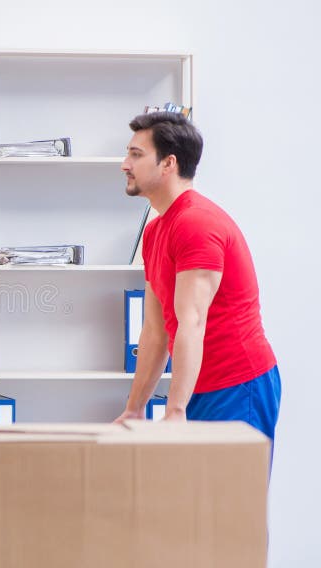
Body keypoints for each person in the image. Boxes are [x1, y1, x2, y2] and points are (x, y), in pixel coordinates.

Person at [113, 112, 281, 449]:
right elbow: (155, 329)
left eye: (136, 154)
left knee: (230, 499)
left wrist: (175, 409)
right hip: (200, 385)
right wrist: (134, 409)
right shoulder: (155, 231)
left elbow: (192, 320)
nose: (124, 164)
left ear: (168, 163)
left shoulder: (196, 224)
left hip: (238, 383)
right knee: (196, 499)